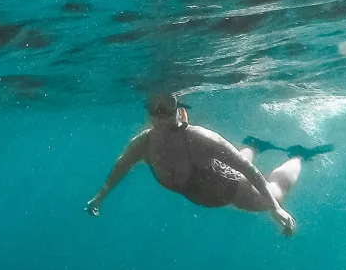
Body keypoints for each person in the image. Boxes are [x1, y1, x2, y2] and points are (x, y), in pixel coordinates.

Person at [84, 93, 300, 235]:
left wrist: (275, 208)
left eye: (167, 106)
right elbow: (122, 166)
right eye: (154, 106)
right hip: (211, 184)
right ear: (148, 112)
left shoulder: (200, 138)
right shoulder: (142, 144)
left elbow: (246, 168)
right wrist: (100, 196)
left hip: (234, 190)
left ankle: (297, 156)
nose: (161, 113)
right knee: (236, 162)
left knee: (274, 191)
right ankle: (254, 145)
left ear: (178, 109)